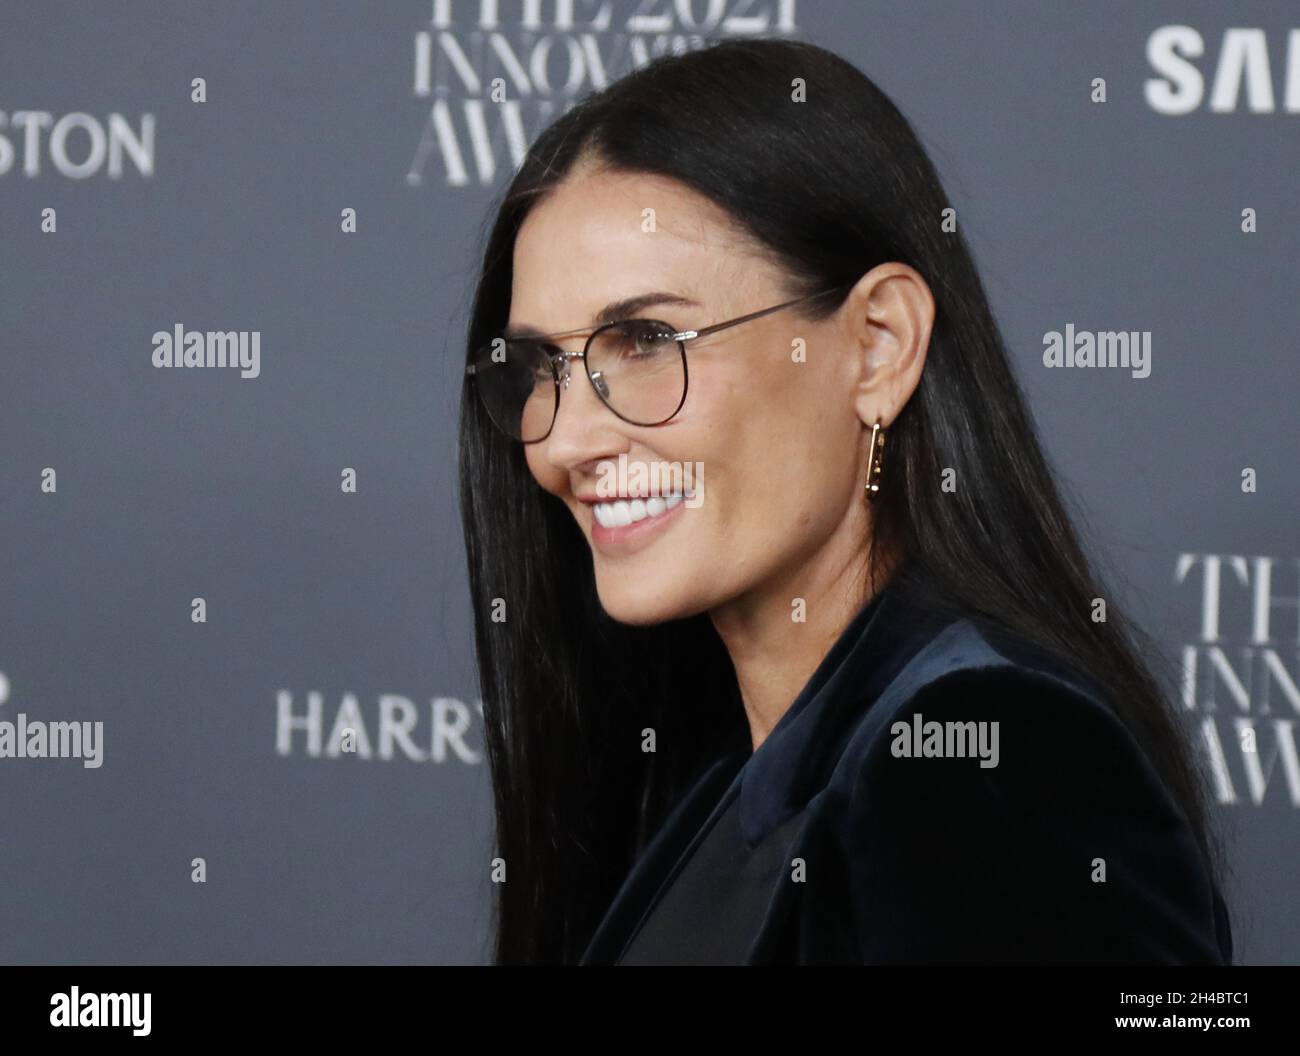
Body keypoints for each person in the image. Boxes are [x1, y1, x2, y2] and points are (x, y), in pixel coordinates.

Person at [457, 38, 1232, 965]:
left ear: (877, 346)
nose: (568, 440)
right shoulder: (735, 771)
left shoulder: (977, 761)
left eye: (649, 339)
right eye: (542, 367)